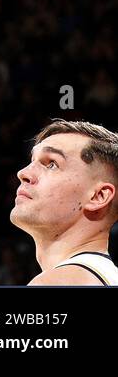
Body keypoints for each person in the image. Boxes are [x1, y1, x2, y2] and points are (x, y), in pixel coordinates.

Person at [11, 118, 118, 285]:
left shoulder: (59, 281)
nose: (23, 173)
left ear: (98, 196)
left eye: (51, 164)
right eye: (32, 161)